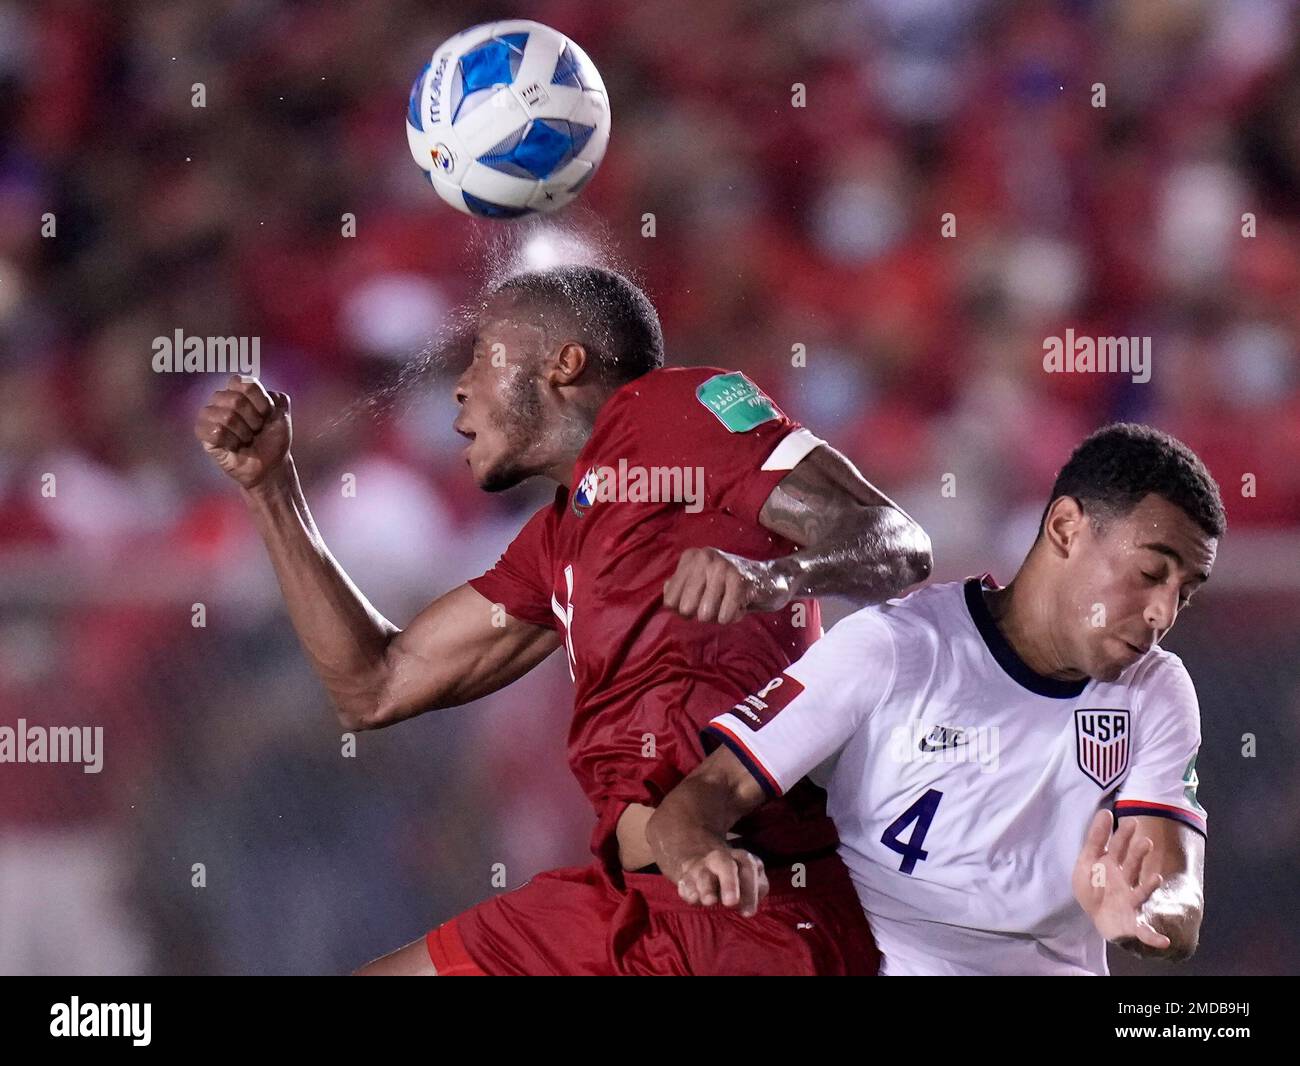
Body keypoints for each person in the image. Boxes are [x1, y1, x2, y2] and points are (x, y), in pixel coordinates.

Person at [194, 264, 932, 975]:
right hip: (623, 905)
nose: (460, 387)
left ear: (564, 363)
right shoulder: (556, 540)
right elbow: (375, 686)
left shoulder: (678, 409)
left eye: (483, 356)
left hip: (747, 902)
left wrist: (773, 577)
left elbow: (897, 544)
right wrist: (270, 490)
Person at [647, 423, 1221, 975]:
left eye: (1185, 595)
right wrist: (701, 853)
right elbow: (702, 796)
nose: (1162, 614)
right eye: (1151, 572)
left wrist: (1144, 913)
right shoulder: (894, 648)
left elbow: (1178, 896)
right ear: (1066, 528)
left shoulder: (1156, 692)